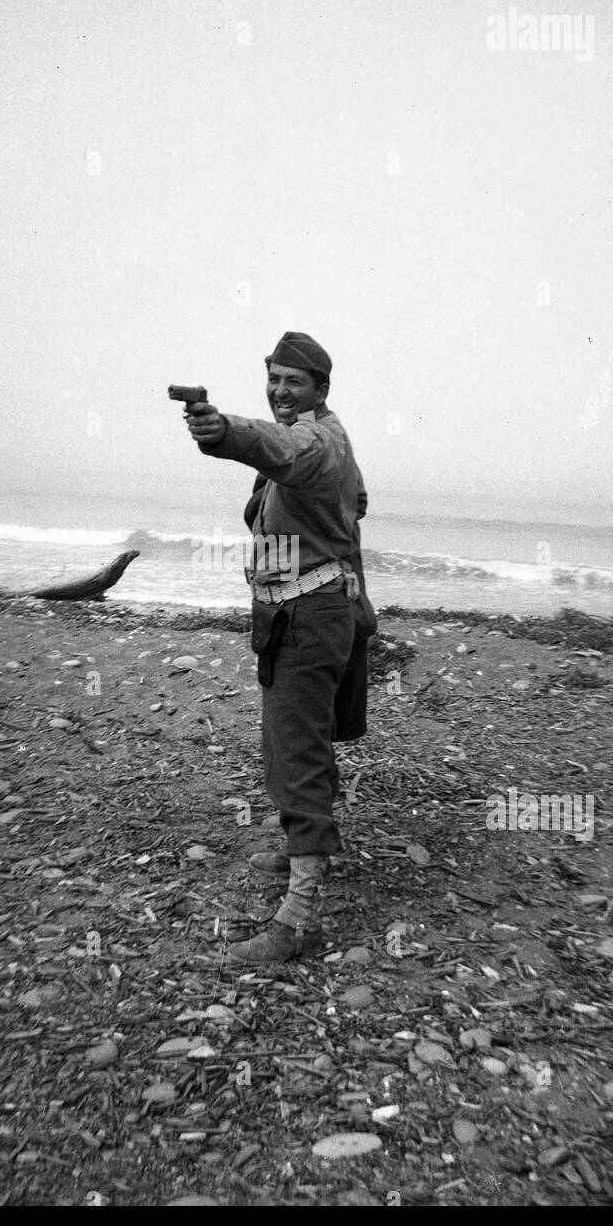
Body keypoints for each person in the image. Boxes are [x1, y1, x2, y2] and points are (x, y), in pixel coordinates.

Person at [185, 331, 376, 963]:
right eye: (273, 379)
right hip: (301, 608)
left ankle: (300, 919)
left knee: (295, 751)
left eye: (294, 382)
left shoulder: (314, 440)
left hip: (308, 613)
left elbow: (278, 447)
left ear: (320, 390)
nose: (280, 391)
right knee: (293, 739)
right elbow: (352, 508)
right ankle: (301, 845)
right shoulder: (331, 439)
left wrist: (224, 432)